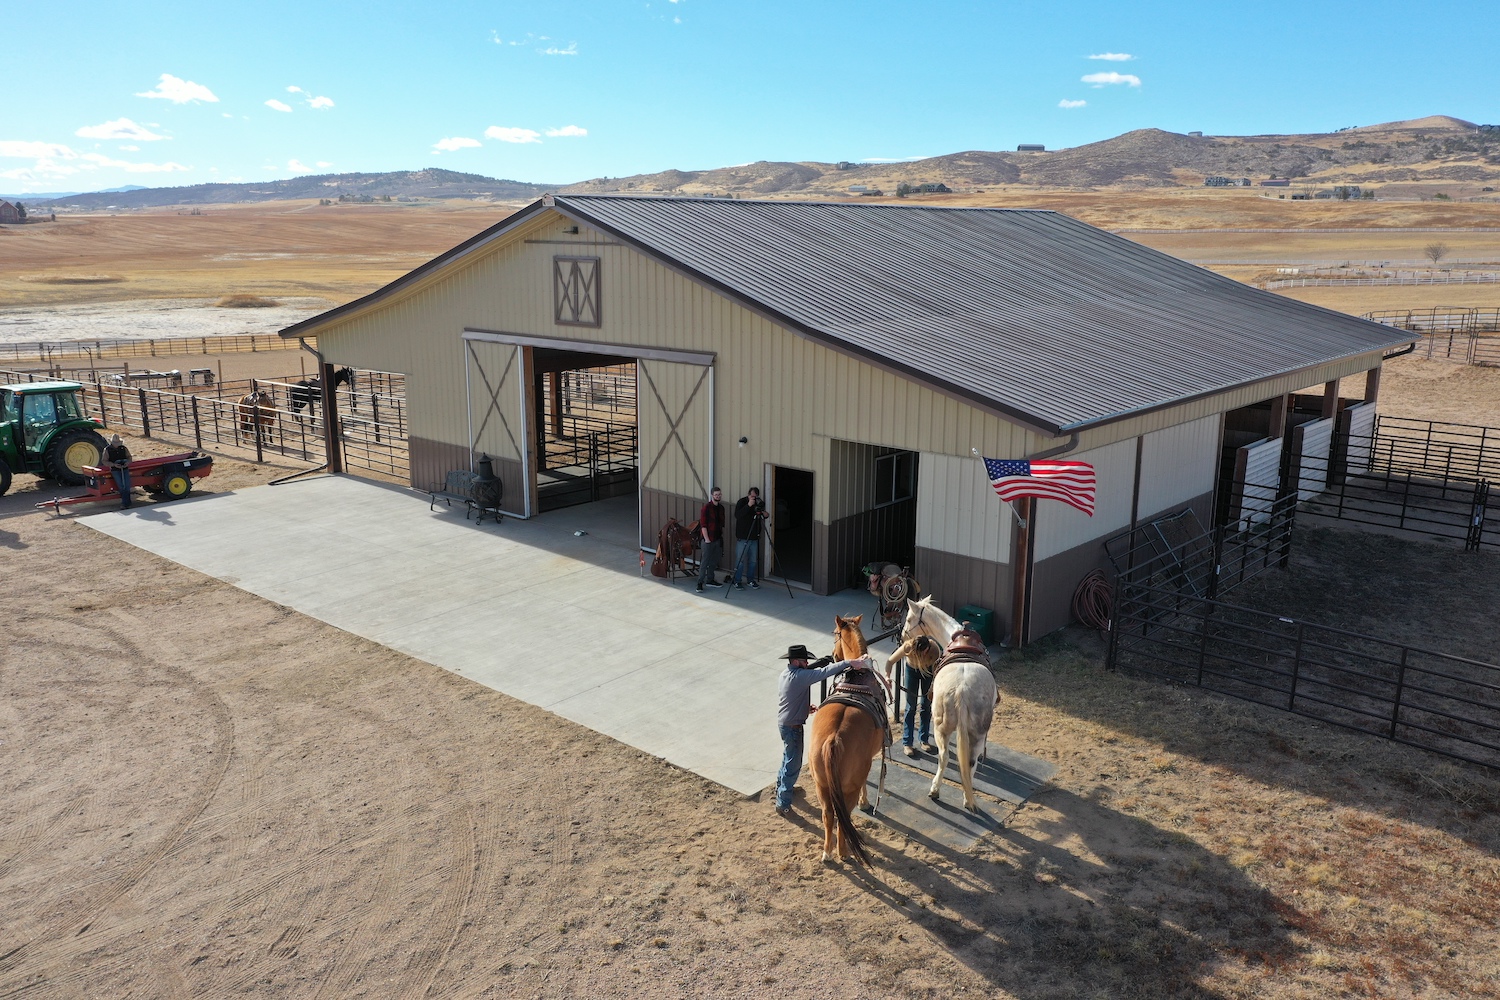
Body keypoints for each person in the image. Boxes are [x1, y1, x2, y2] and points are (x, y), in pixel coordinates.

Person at [774, 643, 868, 816]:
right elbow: (822, 673)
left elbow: (794, 691)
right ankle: (783, 803)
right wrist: (849, 662)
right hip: (793, 726)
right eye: (803, 661)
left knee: (787, 758)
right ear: (795, 661)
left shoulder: (786, 674)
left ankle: (780, 788)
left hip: (785, 722)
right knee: (793, 764)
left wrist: (803, 708)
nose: (806, 663)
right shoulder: (800, 676)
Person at [730, 486, 767, 589]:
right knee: (740, 559)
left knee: (753, 560)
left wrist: (764, 512)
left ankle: (750, 580)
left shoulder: (758, 503)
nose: (753, 498)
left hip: (754, 537)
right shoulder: (742, 502)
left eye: (755, 497)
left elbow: (763, 514)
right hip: (743, 537)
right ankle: (737, 580)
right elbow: (737, 515)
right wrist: (748, 505)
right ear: (748, 495)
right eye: (752, 496)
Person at [695, 486, 725, 592]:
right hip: (708, 540)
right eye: (716, 495)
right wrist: (707, 539)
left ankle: (710, 580)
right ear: (712, 495)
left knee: (714, 561)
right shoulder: (706, 508)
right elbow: (703, 525)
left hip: (717, 539)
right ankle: (699, 583)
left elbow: (721, 524)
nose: (718, 496)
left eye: (719, 494)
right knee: (705, 562)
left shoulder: (721, 508)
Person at [902, 664, 934, 756]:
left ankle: (924, 739)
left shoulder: (934, 650)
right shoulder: (908, 649)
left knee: (926, 705)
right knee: (910, 707)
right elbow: (891, 660)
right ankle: (907, 743)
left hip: (929, 671)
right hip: (912, 670)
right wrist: (887, 676)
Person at [104, 433, 133, 510]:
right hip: (115, 470)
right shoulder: (107, 450)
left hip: (125, 468)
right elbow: (104, 461)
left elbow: (129, 457)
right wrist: (113, 465)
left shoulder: (124, 448)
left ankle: (127, 503)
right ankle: (125, 503)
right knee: (121, 486)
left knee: (126, 485)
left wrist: (127, 462)